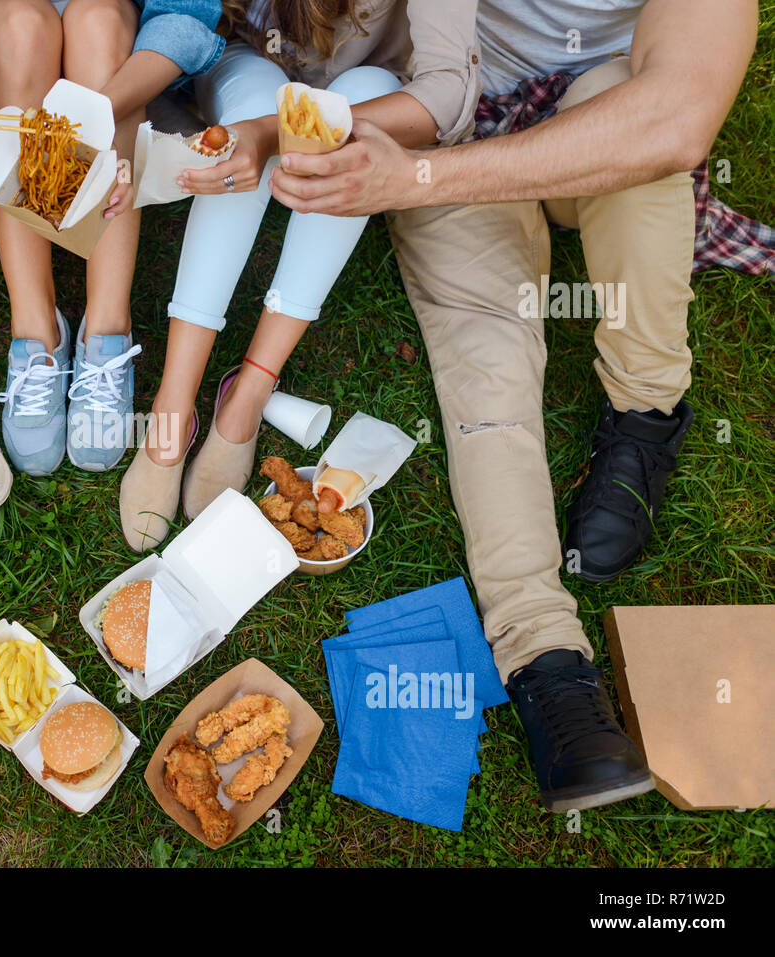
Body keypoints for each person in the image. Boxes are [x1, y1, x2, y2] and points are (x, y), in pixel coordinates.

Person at [270, 0, 766, 810]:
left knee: (638, 139)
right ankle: (545, 657)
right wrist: (427, 163)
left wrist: (418, 177)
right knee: (486, 369)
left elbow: (675, 120)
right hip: (462, 109)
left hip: (604, 118)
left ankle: (644, 414)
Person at [117, 0, 480, 552]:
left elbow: (449, 89)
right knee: (260, 99)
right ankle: (174, 402)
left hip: (370, 92)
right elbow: (182, 20)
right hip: (244, 70)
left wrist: (278, 134)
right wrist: (248, 130)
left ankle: (249, 394)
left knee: (354, 107)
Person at [0, 0, 225, 475]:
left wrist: (91, 117)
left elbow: (182, 17)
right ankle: (35, 329)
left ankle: (108, 328)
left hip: (119, 58)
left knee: (101, 17)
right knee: (24, 21)